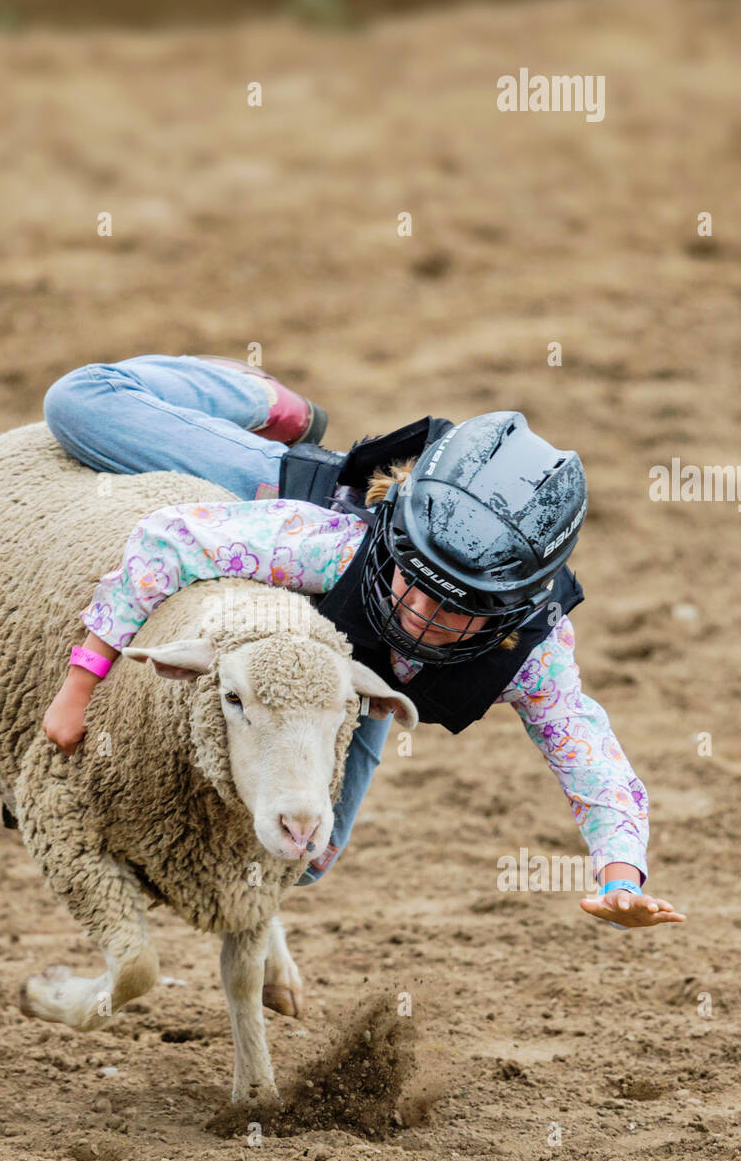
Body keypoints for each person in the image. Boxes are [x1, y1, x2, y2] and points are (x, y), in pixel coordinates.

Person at [41, 354, 684, 931]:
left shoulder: (530, 655)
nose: (423, 614)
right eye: (415, 579)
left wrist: (621, 872)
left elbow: (591, 757)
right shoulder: (333, 543)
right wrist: (82, 680)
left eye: (460, 607)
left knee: (309, 857)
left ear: (511, 610)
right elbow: (171, 536)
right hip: (279, 498)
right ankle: (264, 401)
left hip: (354, 674)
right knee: (79, 401)